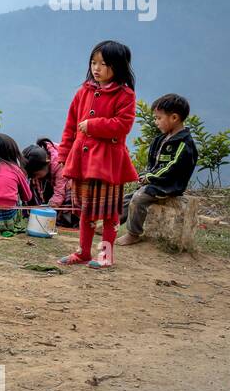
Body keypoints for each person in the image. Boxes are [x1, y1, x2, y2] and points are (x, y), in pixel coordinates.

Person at [56, 40, 139, 268]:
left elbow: (122, 125)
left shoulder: (125, 95)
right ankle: (83, 252)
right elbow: (70, 126)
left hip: (107, 166)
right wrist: (63, 156)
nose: (97, 68)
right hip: (82, 163)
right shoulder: (83, 91)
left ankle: (105, 257)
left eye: (104, 64)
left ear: (118, 67)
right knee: (86, 211)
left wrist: (93, 125)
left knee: (110, 214)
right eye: (94, 62)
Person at [119, 93, 198, 246]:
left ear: (174, 118)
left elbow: (172, 166)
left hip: (169, 185)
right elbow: (153, 164)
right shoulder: (161, 139)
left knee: (139, 198)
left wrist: (150, 177)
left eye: (159, 118)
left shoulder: (184, 144)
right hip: (157, 182)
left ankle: (133, 233)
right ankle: (114, 224)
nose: (156, 122)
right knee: (128, 198)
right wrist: (146, 174)